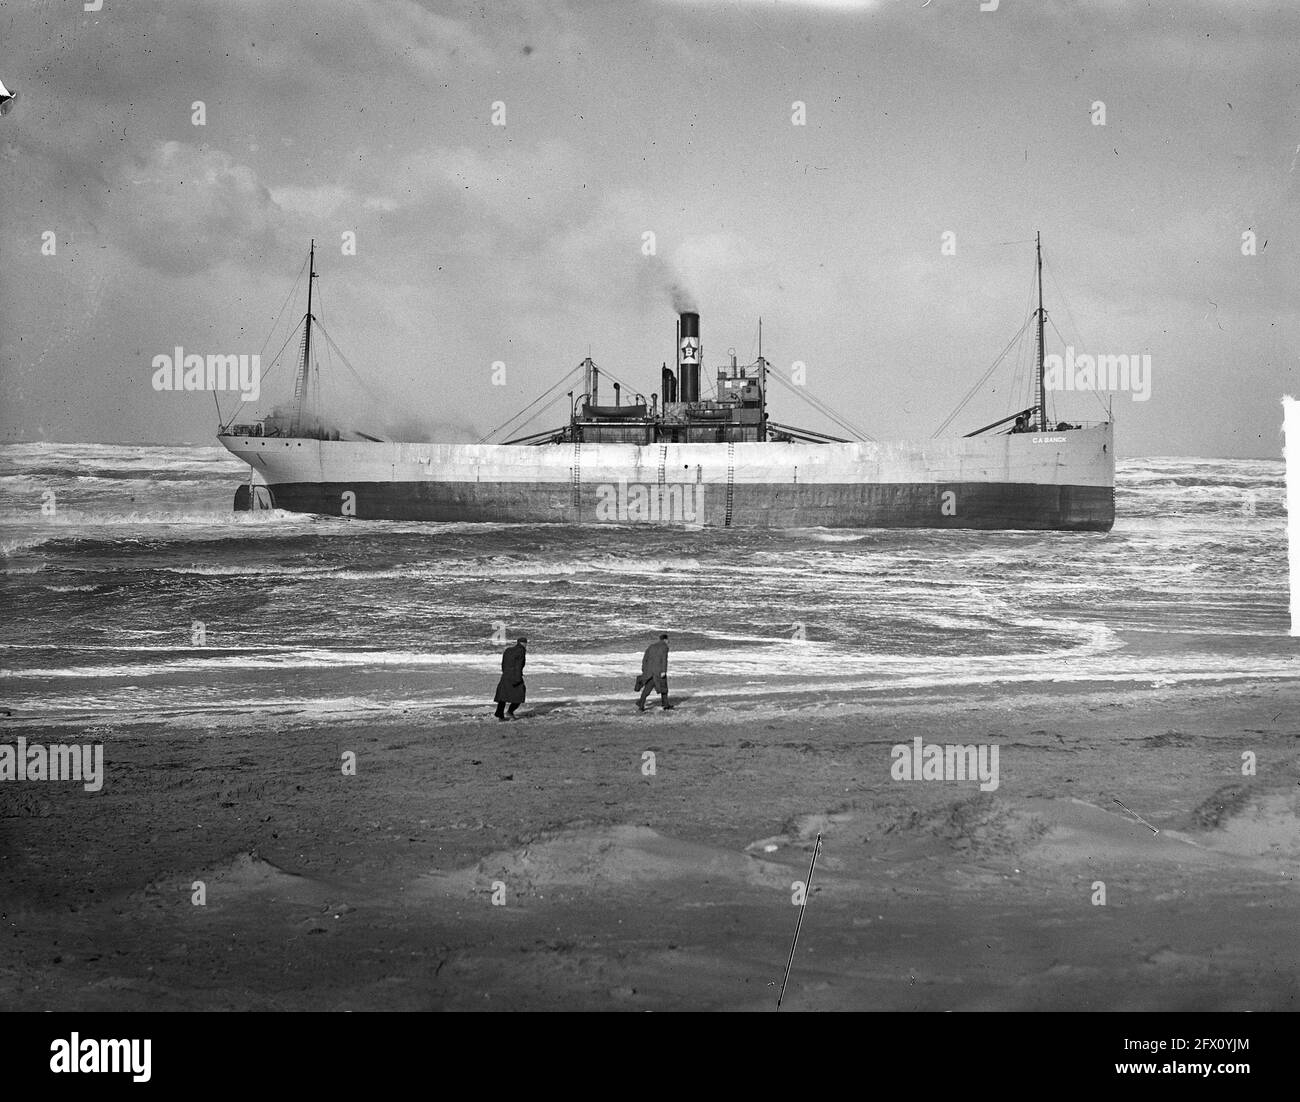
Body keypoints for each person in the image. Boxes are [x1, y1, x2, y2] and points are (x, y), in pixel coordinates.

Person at [493, 637, 527, 720]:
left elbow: (503, 664)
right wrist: (518, 678)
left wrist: (505, 673)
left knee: (503, 696)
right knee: (520, 695)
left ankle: (500, 714)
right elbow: (519, 665)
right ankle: (510, 712)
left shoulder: (508, 650)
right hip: (515, 676)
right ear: (524, 643)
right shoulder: (521, 651)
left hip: (505, 675)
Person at [637, 633, 672, 711]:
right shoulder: (664, 647)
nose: (668, 641)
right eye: (668, 640)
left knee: (647, 689)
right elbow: (664, 659)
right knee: (664, 688)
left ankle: (641, 705)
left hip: (649, 671)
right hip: (658, 671)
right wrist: (663, 671)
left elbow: (645, 659)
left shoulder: (651, 646)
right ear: (665, 640)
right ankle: (665, 705)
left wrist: (644, 669)